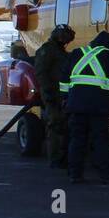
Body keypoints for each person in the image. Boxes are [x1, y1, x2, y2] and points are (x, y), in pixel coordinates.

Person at [59, 30, 109, 185]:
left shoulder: (76, 53)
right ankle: (107, 176)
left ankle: (74, 175)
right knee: (100, 140)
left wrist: (64, 99)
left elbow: (64, 80)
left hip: (76, 106)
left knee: (77, 140)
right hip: (99, 107)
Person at [32, 24, 75, 169]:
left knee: (64, 126)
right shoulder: (47, 50)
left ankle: (62, 157)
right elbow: (41, 72)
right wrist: (48, 92)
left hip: (61, 95)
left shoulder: (60, 52)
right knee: (55, 125)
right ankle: (55, 159)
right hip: (52, 95)